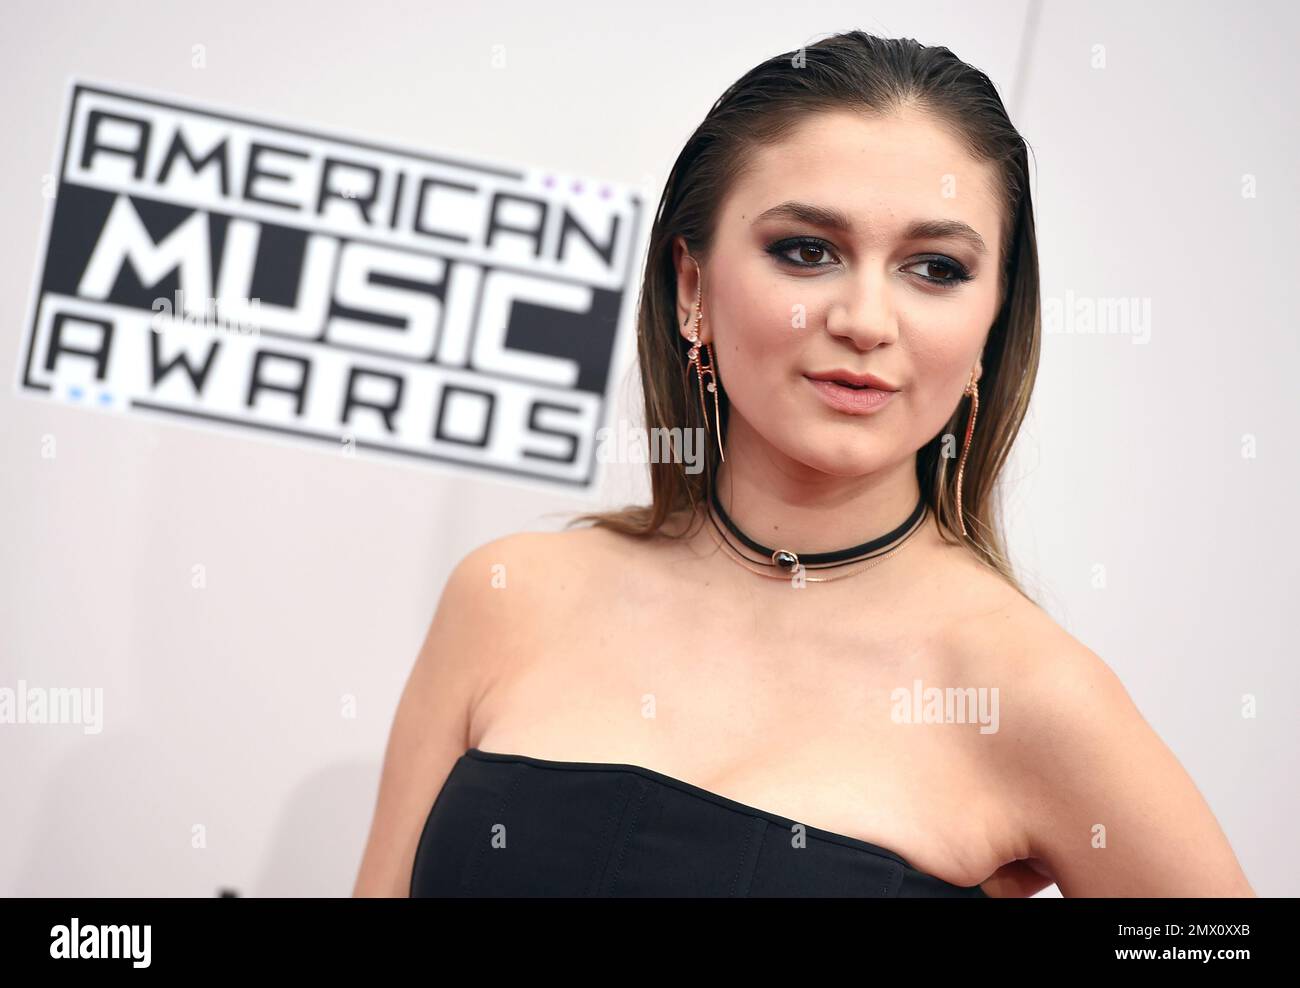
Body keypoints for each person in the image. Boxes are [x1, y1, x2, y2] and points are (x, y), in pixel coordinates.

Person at [353, 30, 1255, 897]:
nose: (867, 319)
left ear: (989, 326)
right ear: (693, 287)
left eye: (935, 268)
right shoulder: (509, 597)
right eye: (807, 251)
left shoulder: (1023, 694)